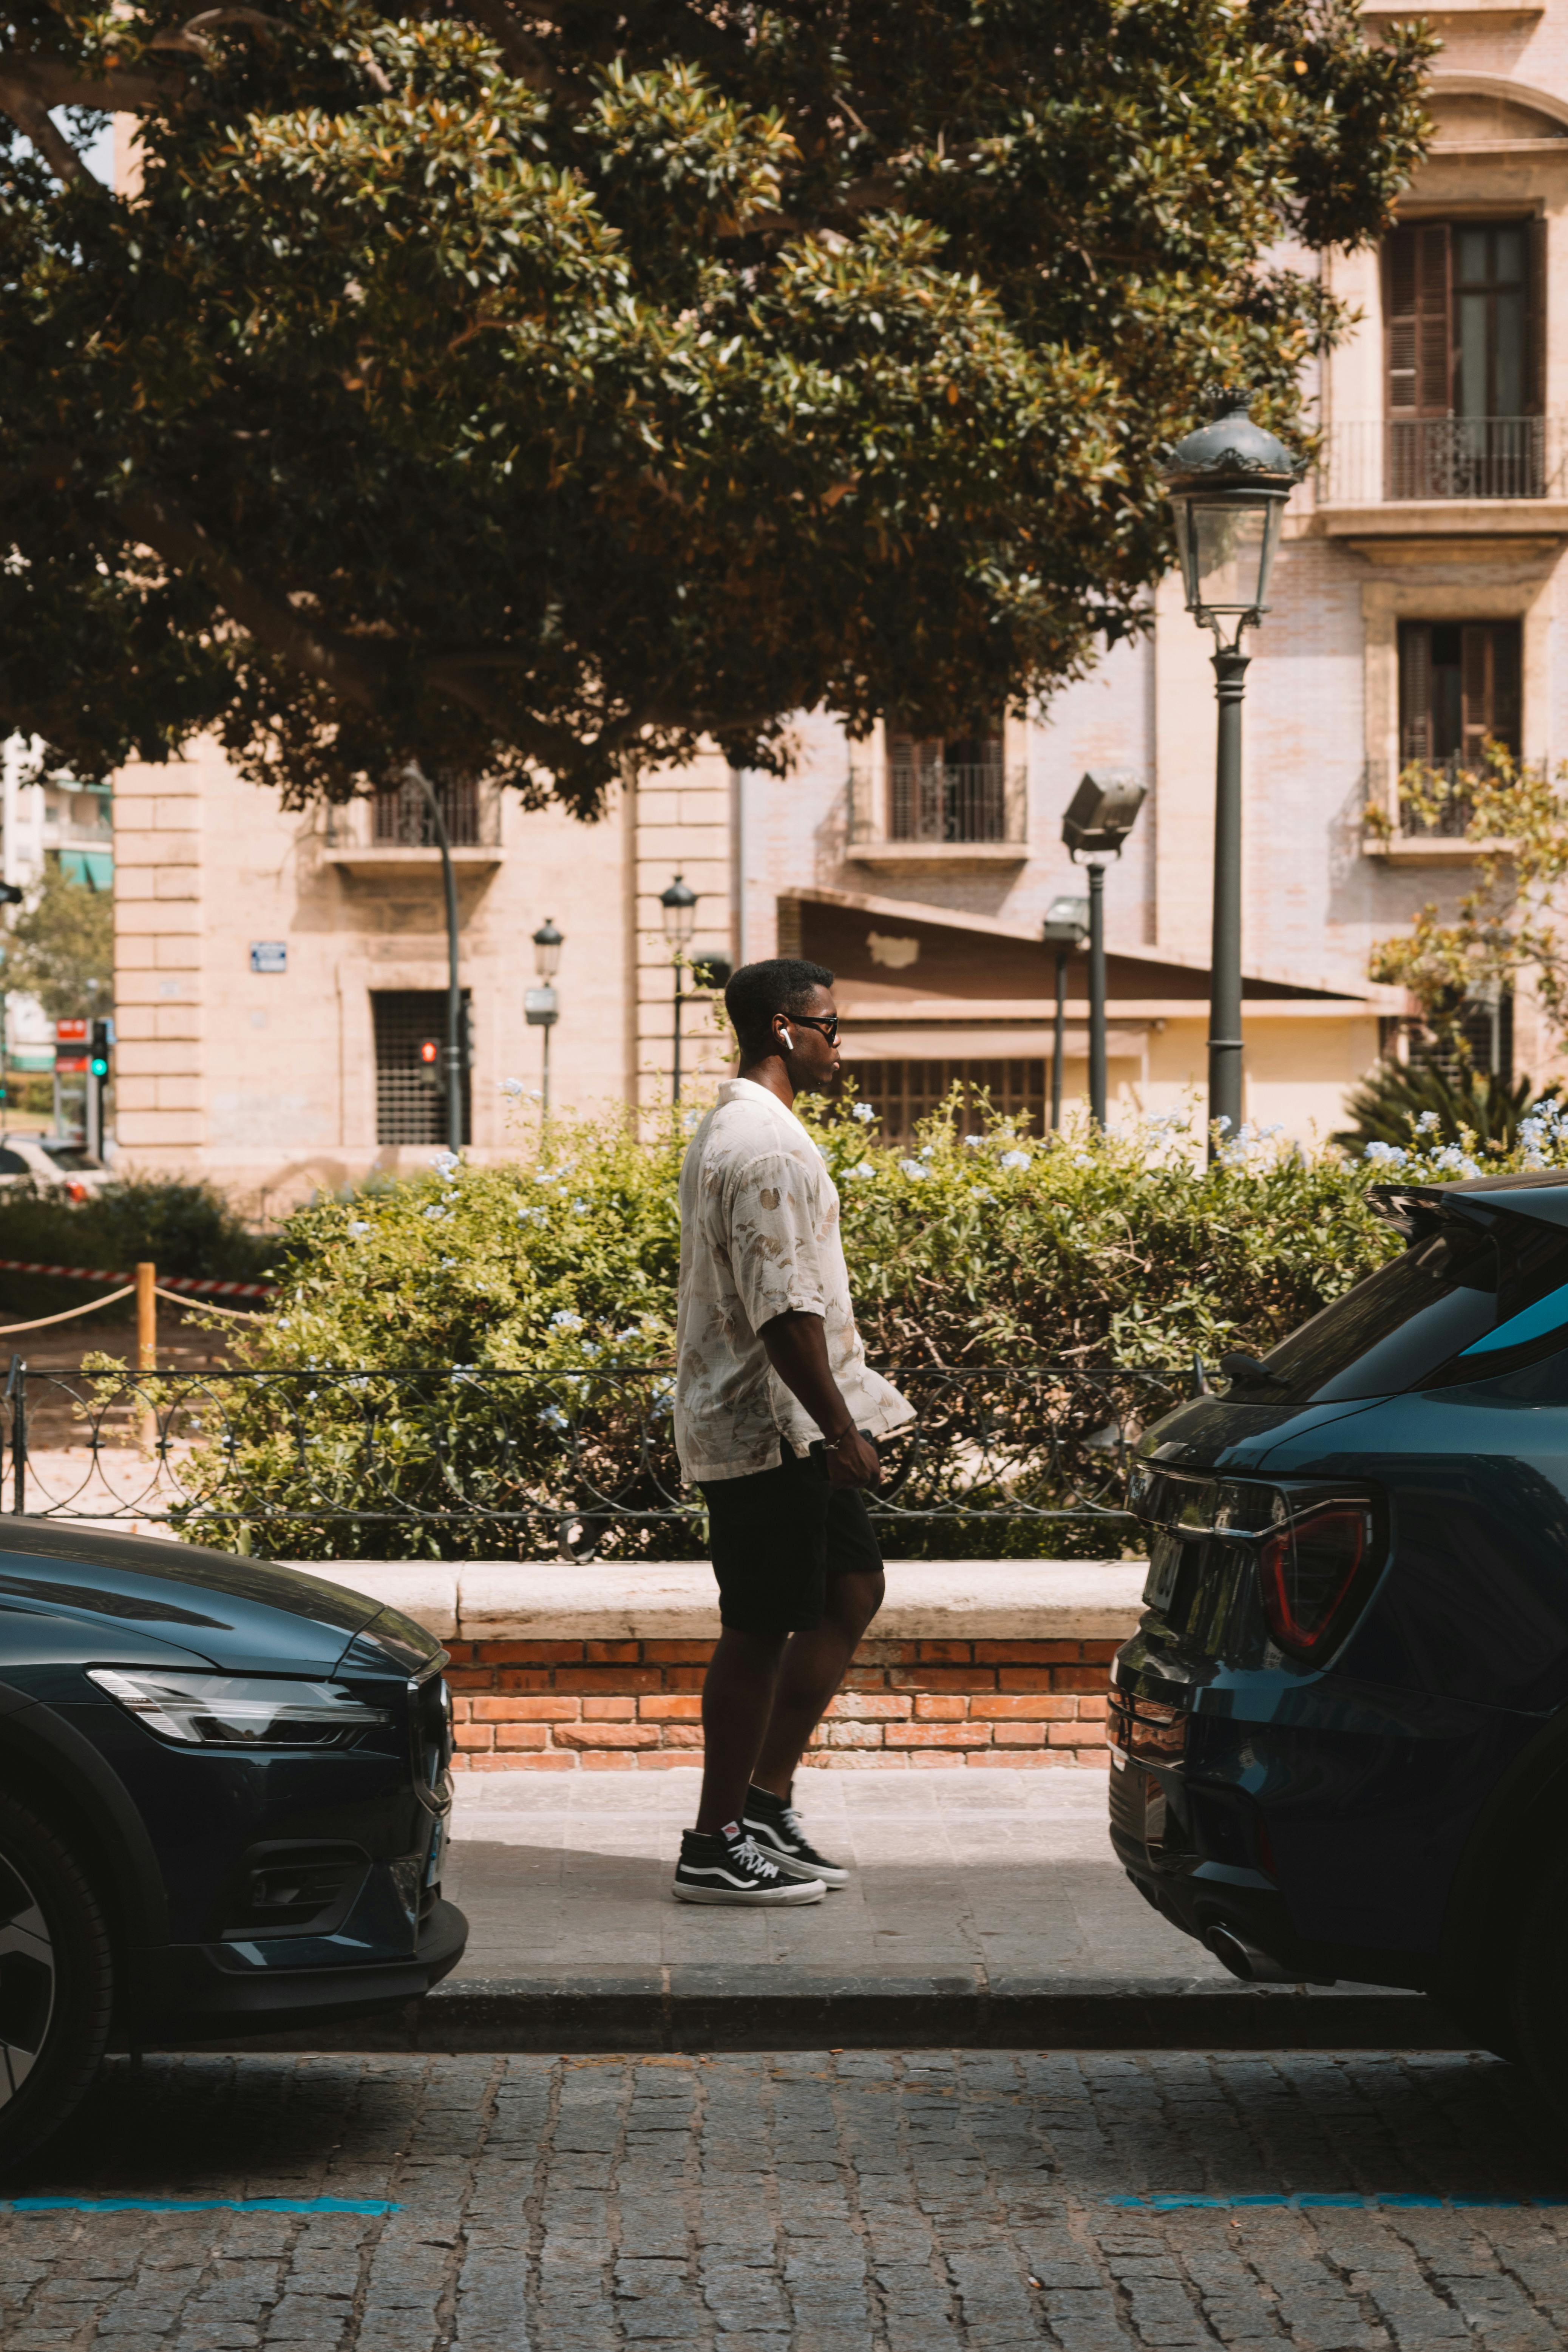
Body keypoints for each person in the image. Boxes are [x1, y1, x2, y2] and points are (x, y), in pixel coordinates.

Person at [670, 956, 913, 1904]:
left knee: (849, 1587)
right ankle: (713, 1840)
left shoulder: (754, 1130)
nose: (839, 1046)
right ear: (784, 1028)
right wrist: (842, 1428)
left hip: (789, 1424)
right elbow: (784, 1308)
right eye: (830, 1026)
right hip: (769, 1426)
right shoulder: (765, 1147)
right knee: (760, 1624)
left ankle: (764, 1802)